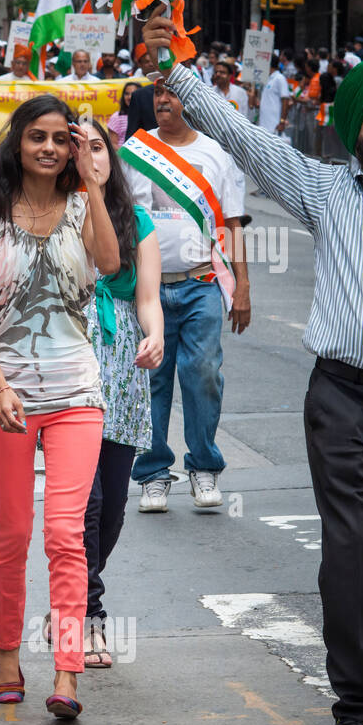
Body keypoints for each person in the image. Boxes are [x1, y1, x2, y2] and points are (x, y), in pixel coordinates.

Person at [143, 15, 363, 725]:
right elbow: (244, 137)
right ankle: (357, 703)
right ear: (350, 128)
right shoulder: (322, 188)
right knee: (350, 547)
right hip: (342, 398)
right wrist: (174, 71)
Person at [0, 95, 122, 719]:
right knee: (13, 532)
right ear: (18, 143)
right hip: (3, 396)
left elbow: (108, 264)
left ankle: (68, 671)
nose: (50, 148)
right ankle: (6, 652)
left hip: (77, 392)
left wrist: (98, 185)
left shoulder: (86, 206)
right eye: (38, 137)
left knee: (64, 533)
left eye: (62, 139)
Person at [125, 77, 249, 514]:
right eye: (158, 92)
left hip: (201, 286)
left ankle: (204, 468)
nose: (163, 99)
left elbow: (231, 223)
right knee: (151, 381)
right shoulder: (136, 151)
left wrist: (243, 285)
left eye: (172, 92)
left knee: (202, 376)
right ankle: (154, 475)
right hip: (148, 289)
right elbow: (126, 218)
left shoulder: (215, 154)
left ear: (192, 100)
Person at [79, 120, 164, 668]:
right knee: (84, 507)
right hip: (73, 367)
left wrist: (154, 333)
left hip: (125, 370)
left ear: (112, 157)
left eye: (97, 146)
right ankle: (88, 613)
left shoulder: (140, 222)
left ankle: (79, 591)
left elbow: (148, 298)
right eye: (77, 147)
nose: (89, 156)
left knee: (112, 511)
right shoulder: (56, 214)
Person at [258, 54, 293, 139]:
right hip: (264, 124)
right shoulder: (267, 79)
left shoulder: (280, 78)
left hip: (274, 125)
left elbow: (285, 101)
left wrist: (282, 122)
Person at [108, 81, 137, 146]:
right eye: (126, 94)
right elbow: (113, 145)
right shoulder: (116, 117)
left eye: (133, 93)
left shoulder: (147, 116)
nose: (129, 97)